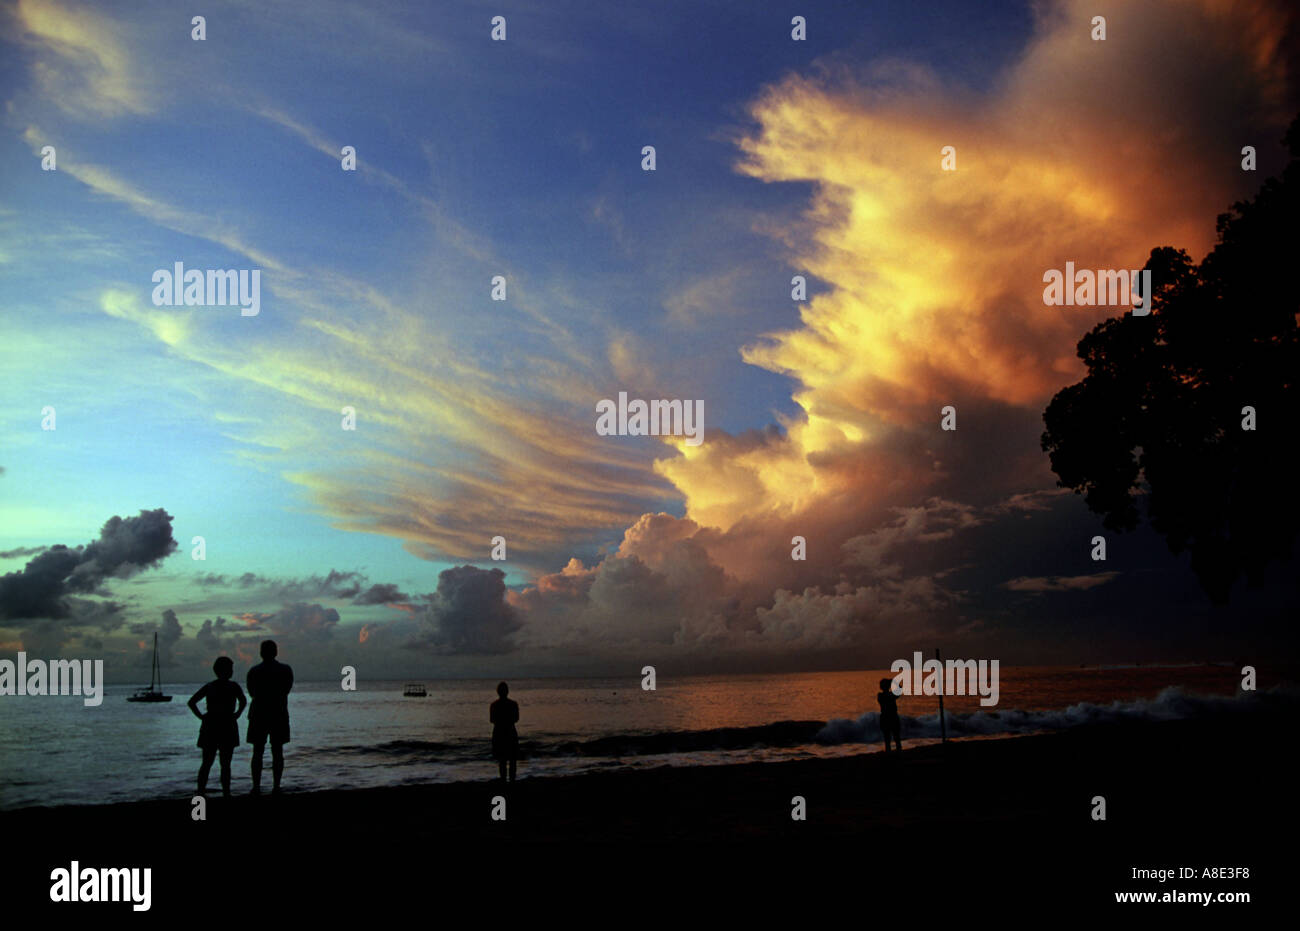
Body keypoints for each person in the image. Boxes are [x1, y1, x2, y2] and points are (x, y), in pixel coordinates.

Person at [187, 656, 247, 797]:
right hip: (224, 725)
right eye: (230, 669)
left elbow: (192, 702)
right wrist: (237, 713)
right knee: (222, 764)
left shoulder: (212, 686)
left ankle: (203, 792)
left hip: (213, 725)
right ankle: (223, 792)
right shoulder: (231, 686)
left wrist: (202, 717)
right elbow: (243, 701)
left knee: (209, 763)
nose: (231, 671)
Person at [246, 640, 293, 795]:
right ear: (276, 652)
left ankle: (256, 787)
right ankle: (276, 786)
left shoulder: (254, 671)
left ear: (261, 653)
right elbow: (287, 689)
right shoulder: (285, 670)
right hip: (278, 713)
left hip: (259, 714)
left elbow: (252, 692)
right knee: (277, 751)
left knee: (257, 751)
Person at [490, 681, 519, 783]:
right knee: (512, 760)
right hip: (510, 733)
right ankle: (512, 780)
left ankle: (503, 780)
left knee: (502, 760)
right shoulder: (513, 704)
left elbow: (492, 720)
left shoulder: (494, 705)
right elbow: (516, 719)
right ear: (507, 691)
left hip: (499, 733)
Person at [877, 676, 902, 753]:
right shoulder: (883, 695)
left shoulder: (882, 695)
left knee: (891, 738)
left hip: (887, 718)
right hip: (890, 718)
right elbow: (899, 690)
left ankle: (892, 753)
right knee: (892, 738)